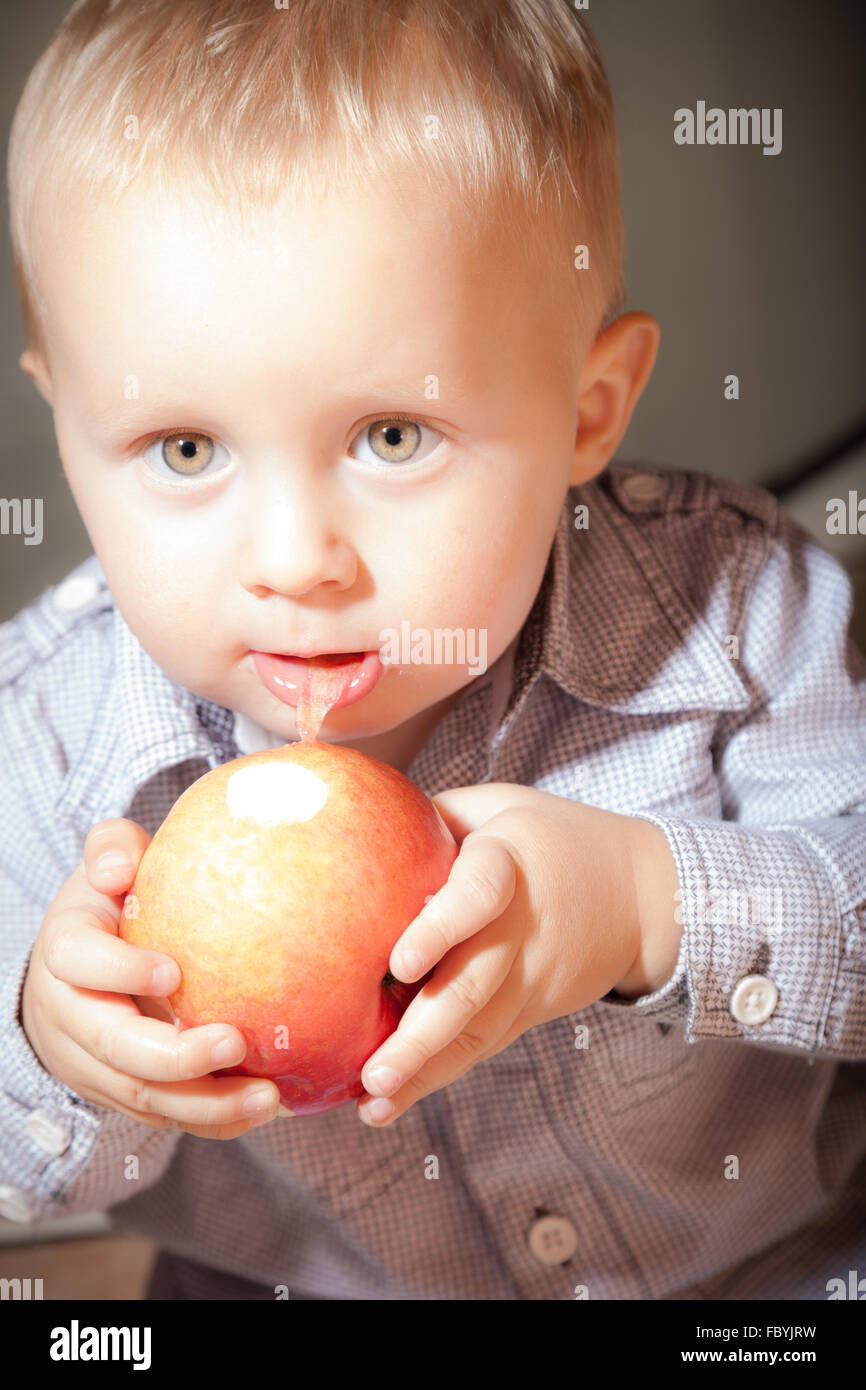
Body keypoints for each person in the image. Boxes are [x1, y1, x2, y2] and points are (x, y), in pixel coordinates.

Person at [2, 0, 864, 1301]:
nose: (294, 558)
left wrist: (645, 904)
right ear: (63, 418)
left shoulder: (736, 614)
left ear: (586, 411)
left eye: (392, 437)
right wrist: (54, 1044)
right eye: (185, 450)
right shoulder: (44, 740)